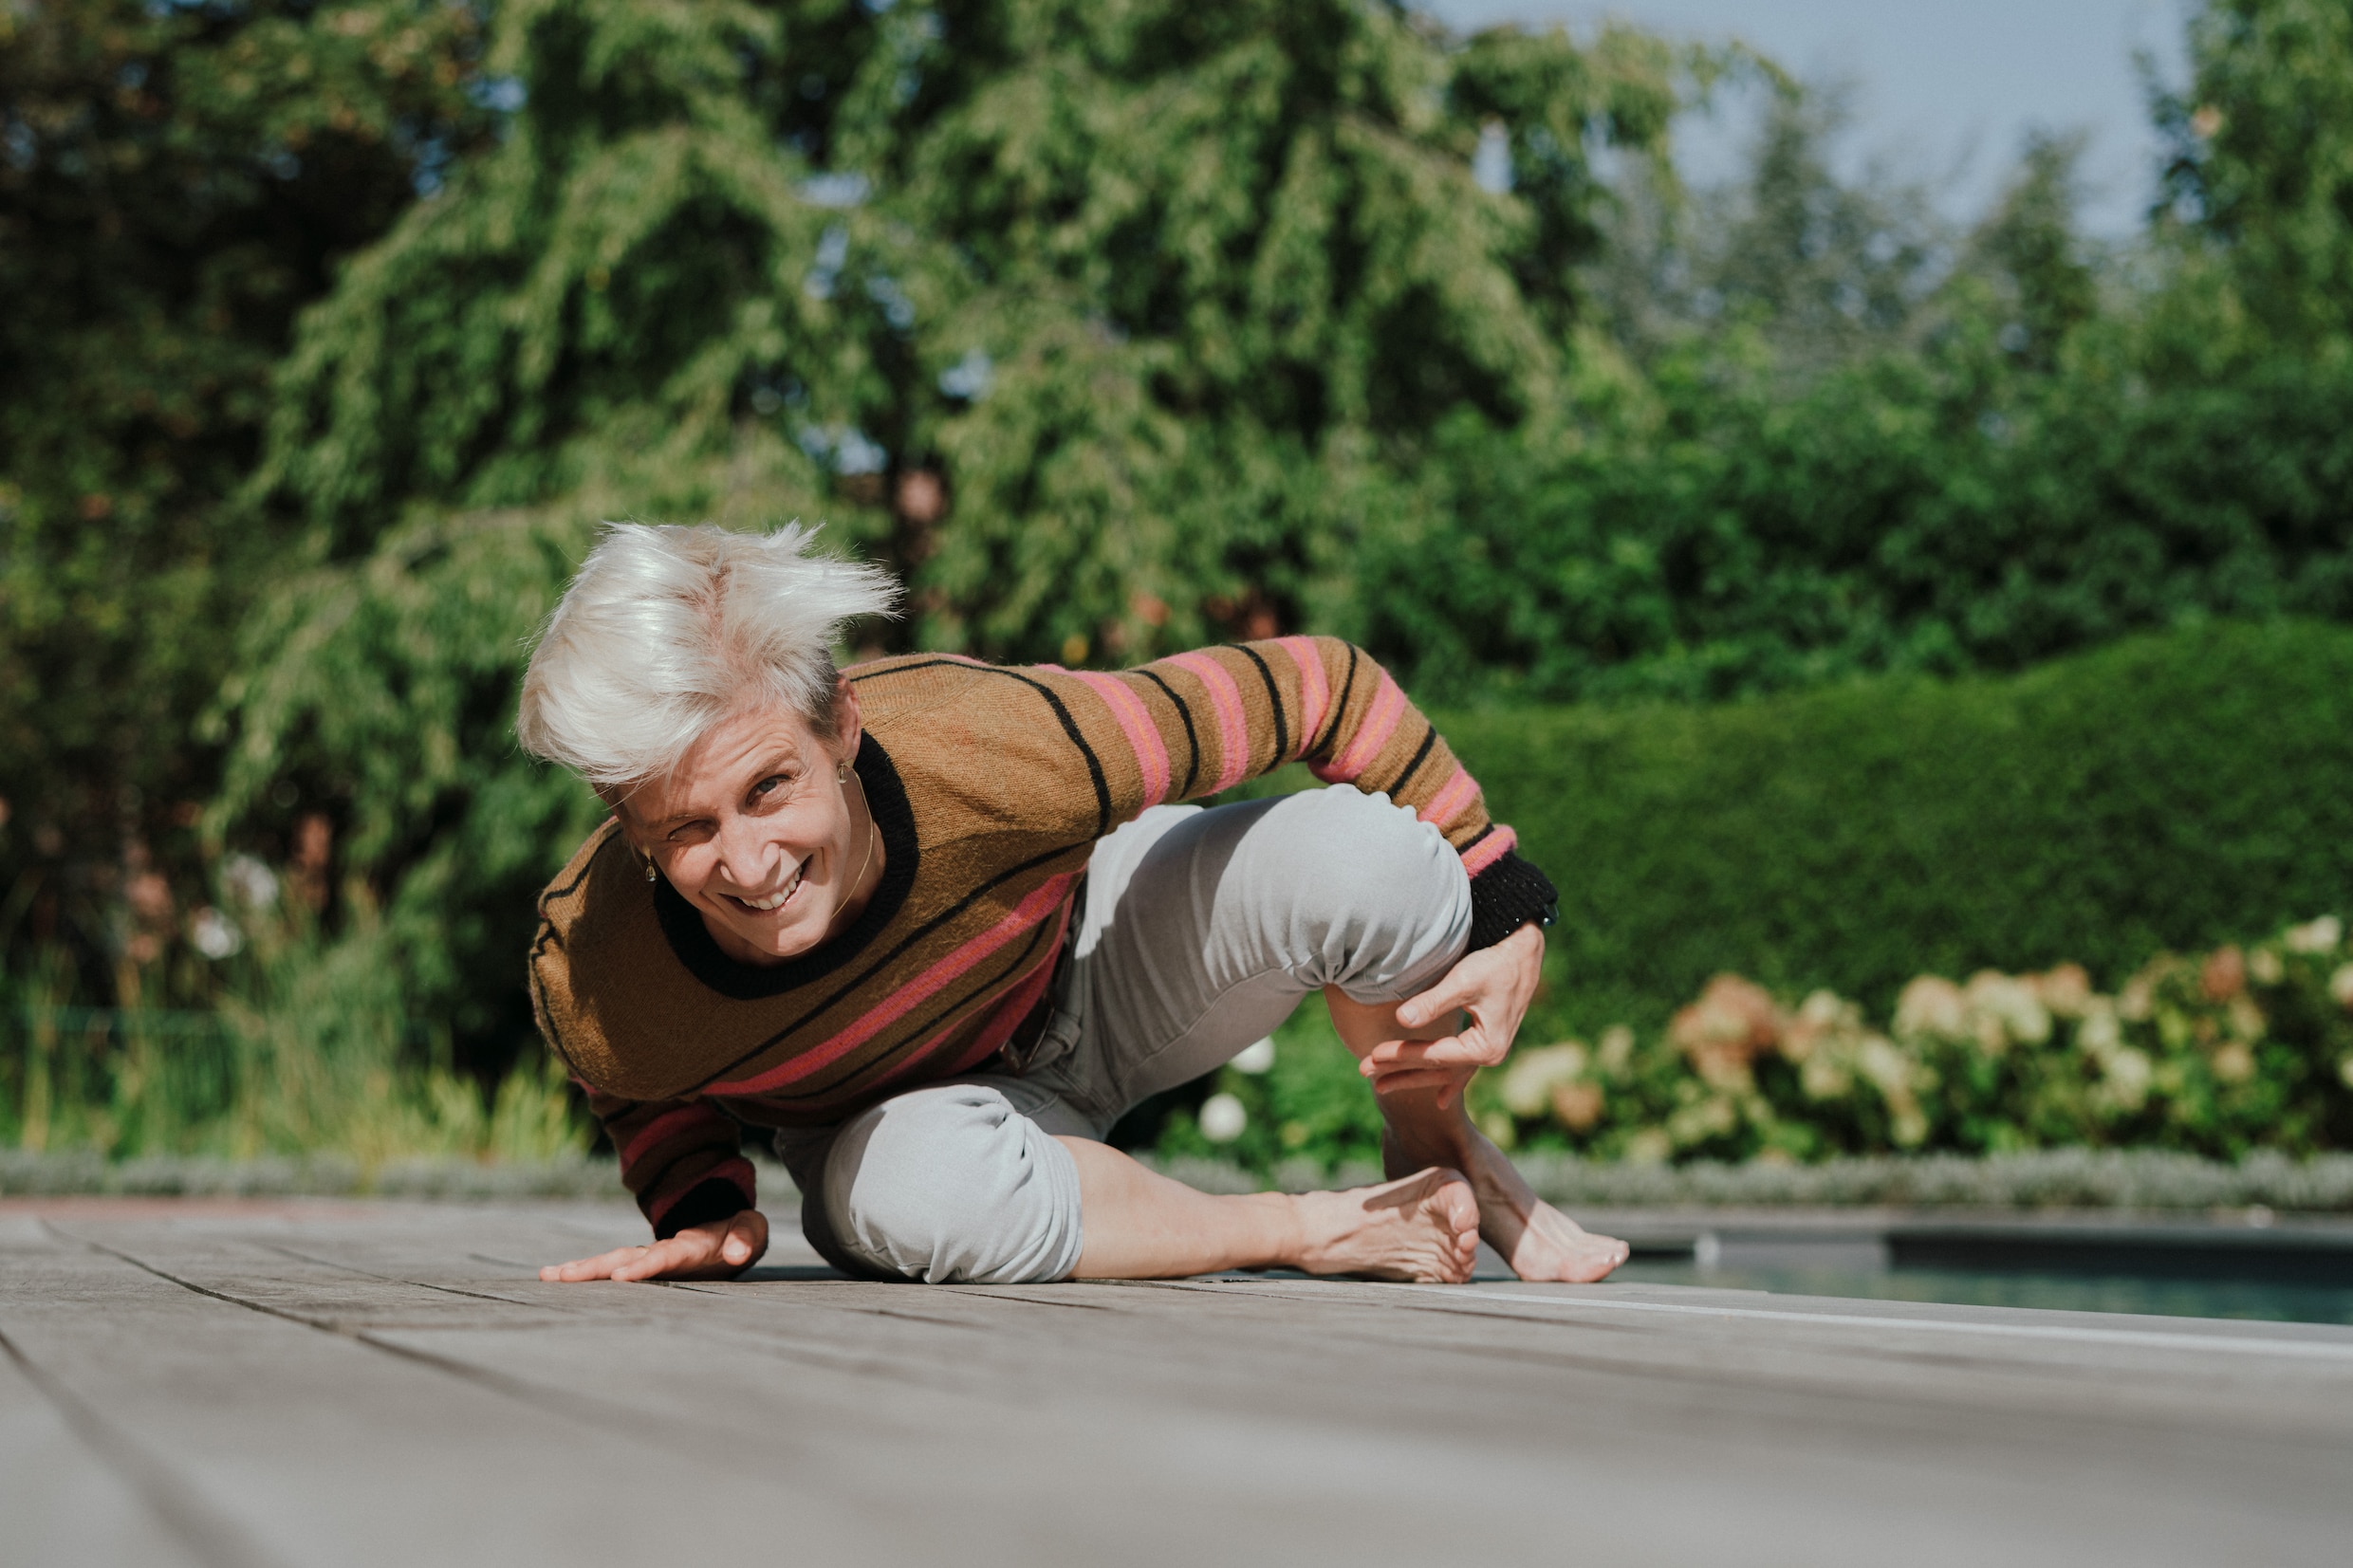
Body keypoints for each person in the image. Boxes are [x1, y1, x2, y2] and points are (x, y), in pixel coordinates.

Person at [522, 522, 1629, 1286]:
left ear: (842, 730)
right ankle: (1313, 1229)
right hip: (905, 1126)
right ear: (632, 831)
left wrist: (1502, 892)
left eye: (770, 788)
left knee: (1374, 863)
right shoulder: (598, 969)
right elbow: (633, 1080)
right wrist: (699, 1204)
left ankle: (1433, 1146)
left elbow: (1314, 687)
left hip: (1096, 965)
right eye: (686, 830)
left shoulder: (996, 743)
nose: (749, 862)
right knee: (908, 1197)